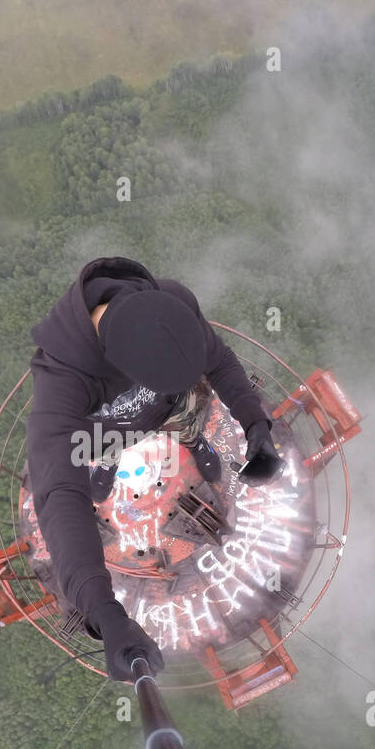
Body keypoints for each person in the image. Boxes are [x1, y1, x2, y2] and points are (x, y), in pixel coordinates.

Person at [25, 256, 278, 682]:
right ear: (120, 367)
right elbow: (58, 493)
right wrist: (102, 609)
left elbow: (217, 360)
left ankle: (195, 442)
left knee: (189, 414)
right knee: (103, 448)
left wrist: (255, 423)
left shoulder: (169, 303)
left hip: (175, 410)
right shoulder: (62, 380)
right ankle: (110, 463)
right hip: (108, 432)